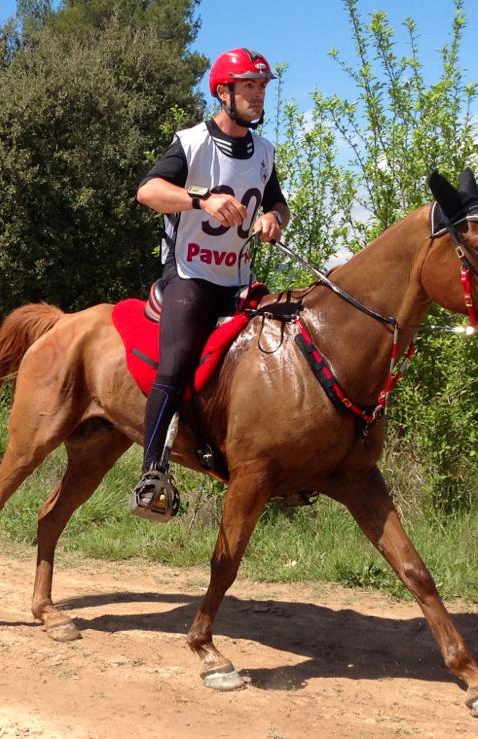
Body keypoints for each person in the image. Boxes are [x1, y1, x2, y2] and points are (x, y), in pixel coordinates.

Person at [131, 48, 290, 518]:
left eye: (262, 87)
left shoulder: (264, 152)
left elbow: (279, 204)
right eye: (249, 87)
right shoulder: (192, 141)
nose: (259, 95)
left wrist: (272, 219)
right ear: (224, 92)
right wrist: (201, 201)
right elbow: (148, 191)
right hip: (190, 274)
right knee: (177, 362)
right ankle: (151, 472)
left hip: (238, 279)